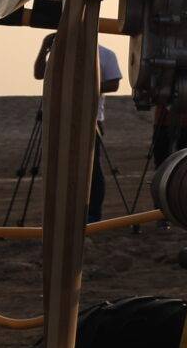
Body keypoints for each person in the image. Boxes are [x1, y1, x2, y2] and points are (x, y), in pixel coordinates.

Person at [34, 33, 125, 222]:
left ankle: (93, 213)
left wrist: (82, 86)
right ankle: (63, 212)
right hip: (60, 117)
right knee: (61, 167)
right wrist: (45, 48)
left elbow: (114, 84)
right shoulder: (61, 54)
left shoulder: (106, 55)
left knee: (92, 169)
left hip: (91, 119)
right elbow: (39, 74)